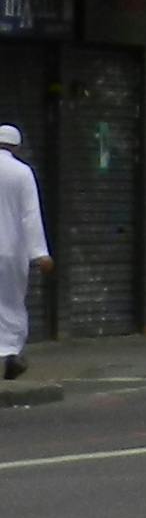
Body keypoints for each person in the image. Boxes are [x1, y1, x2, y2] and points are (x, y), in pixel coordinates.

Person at [0, 123, 47, 380]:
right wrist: (40, 253)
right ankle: (10, 354)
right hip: (10, 252)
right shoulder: (22, 173)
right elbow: (31, 216)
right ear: (16, 146)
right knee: (12, 303)